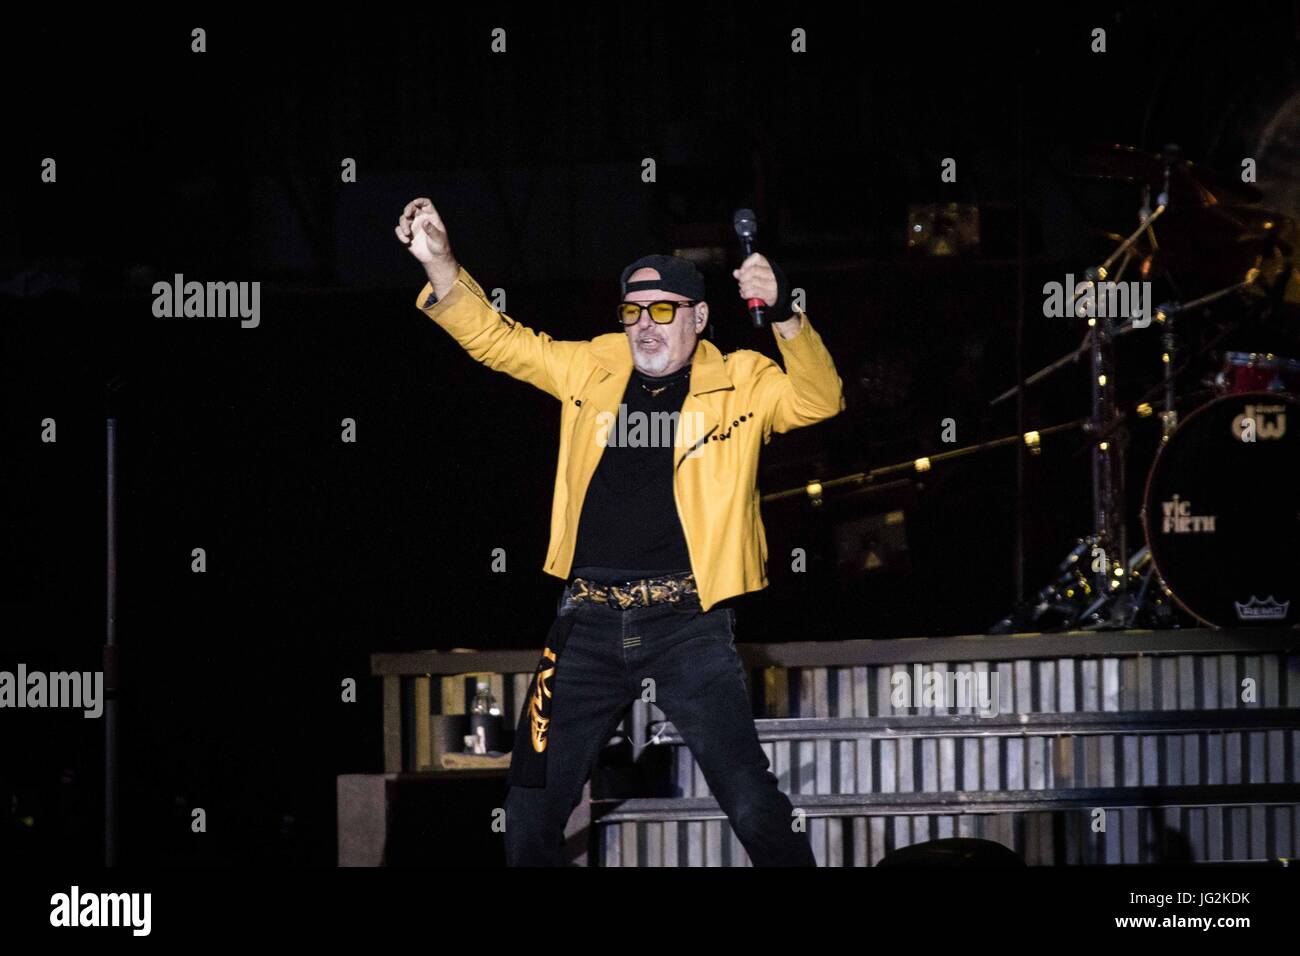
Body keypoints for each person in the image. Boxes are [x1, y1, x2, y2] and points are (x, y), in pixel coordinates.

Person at [396, 197, 844, 866]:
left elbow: (819, 399)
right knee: (529, 806)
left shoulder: (742, 380)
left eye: (663, 311)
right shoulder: (594, 365)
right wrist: (442, 265)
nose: (644, 326)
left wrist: (784, 315)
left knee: (752, 801)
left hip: (688, 624)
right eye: (632, 312)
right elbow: (498, 341)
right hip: (586, 624)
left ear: (698, 318)